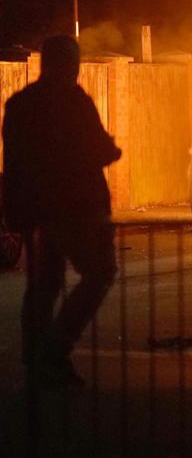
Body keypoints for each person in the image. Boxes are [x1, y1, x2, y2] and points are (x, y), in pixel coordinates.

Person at [3, 35, 122, 386]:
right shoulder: (74, 101)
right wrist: (110, 151)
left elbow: (13, 163)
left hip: (38, 212)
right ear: (69, 64)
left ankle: (35, 360)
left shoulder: (20, 103)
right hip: (77, 209)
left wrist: (16, 210)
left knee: (43, 286)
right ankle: (54, 349)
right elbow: (99, 150)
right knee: (100, 272)